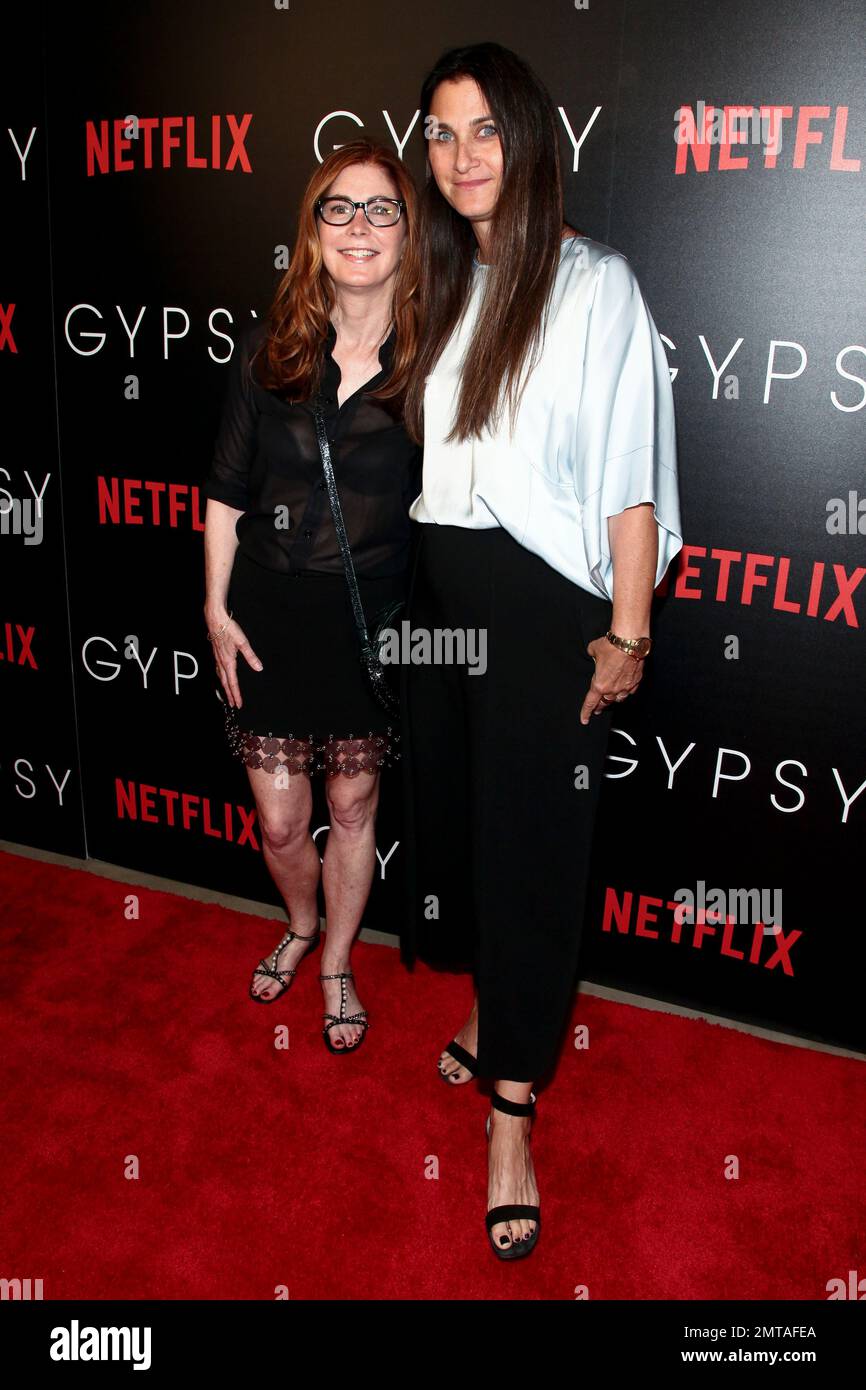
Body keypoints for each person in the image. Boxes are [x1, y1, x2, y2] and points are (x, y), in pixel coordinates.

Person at [399, 44, 684, 1257]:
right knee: (462, 828)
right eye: (441, 134)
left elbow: (629, 471)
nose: (463, 157)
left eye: (484, 131)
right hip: (437, 588)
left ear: (525, 137)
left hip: (533, 609)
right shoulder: (444, 277)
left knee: (528, 851)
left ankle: (509, 1113)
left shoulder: (592, 283)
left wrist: (627, 628)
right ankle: (488, 1000)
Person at [203, 140, 421, 1053]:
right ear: (313, 228)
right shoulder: (268, 350)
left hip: (371, 625)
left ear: (409, 233)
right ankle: (297, 921)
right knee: (284, 819)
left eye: (380, 209)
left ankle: (335, 959)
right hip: (268, 616)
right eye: (339, 208)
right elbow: (223, 489)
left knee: (355, 810)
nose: (359, 227)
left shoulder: (437, 361)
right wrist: (215, 611)